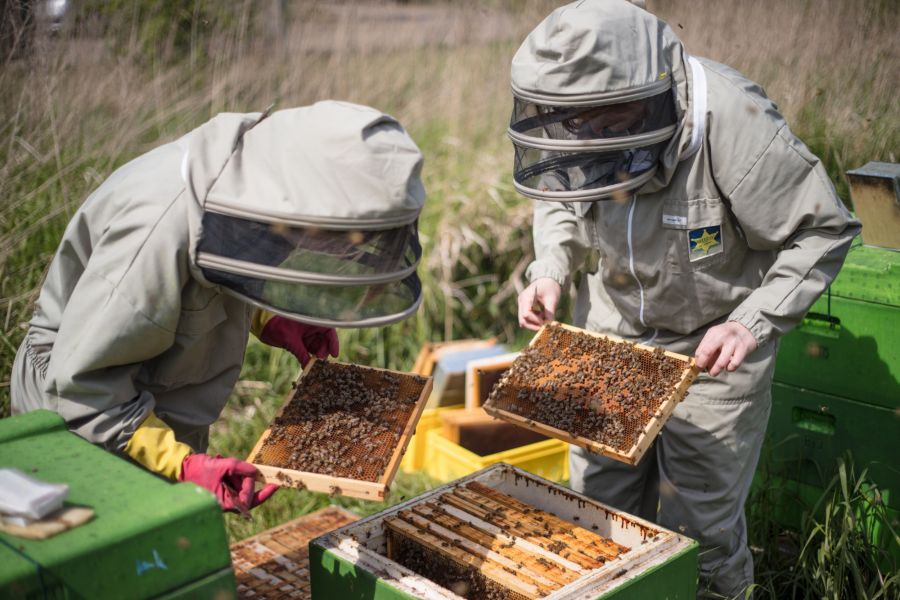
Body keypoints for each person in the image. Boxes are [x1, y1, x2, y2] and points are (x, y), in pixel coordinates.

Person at [509, 1, 859, 596]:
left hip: (712, 354)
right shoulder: (581, 116)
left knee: (700, 538)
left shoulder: (735, 123)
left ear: (643, 98)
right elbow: (560, 192)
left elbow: (822, 228)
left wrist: (752, 322)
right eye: (576, 125)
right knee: (592, 520)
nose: (585, 136)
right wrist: (550, 269)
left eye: (603, 124)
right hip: (610, 341)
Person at [11, 100, 426, 514]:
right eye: (343, 237)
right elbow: (84, 385)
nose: (346, 251)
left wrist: (268, 316)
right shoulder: (156, 231)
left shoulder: (260, 186)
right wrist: (183, 464)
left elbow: (219, 276)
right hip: (81, 419)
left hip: (160, 401)